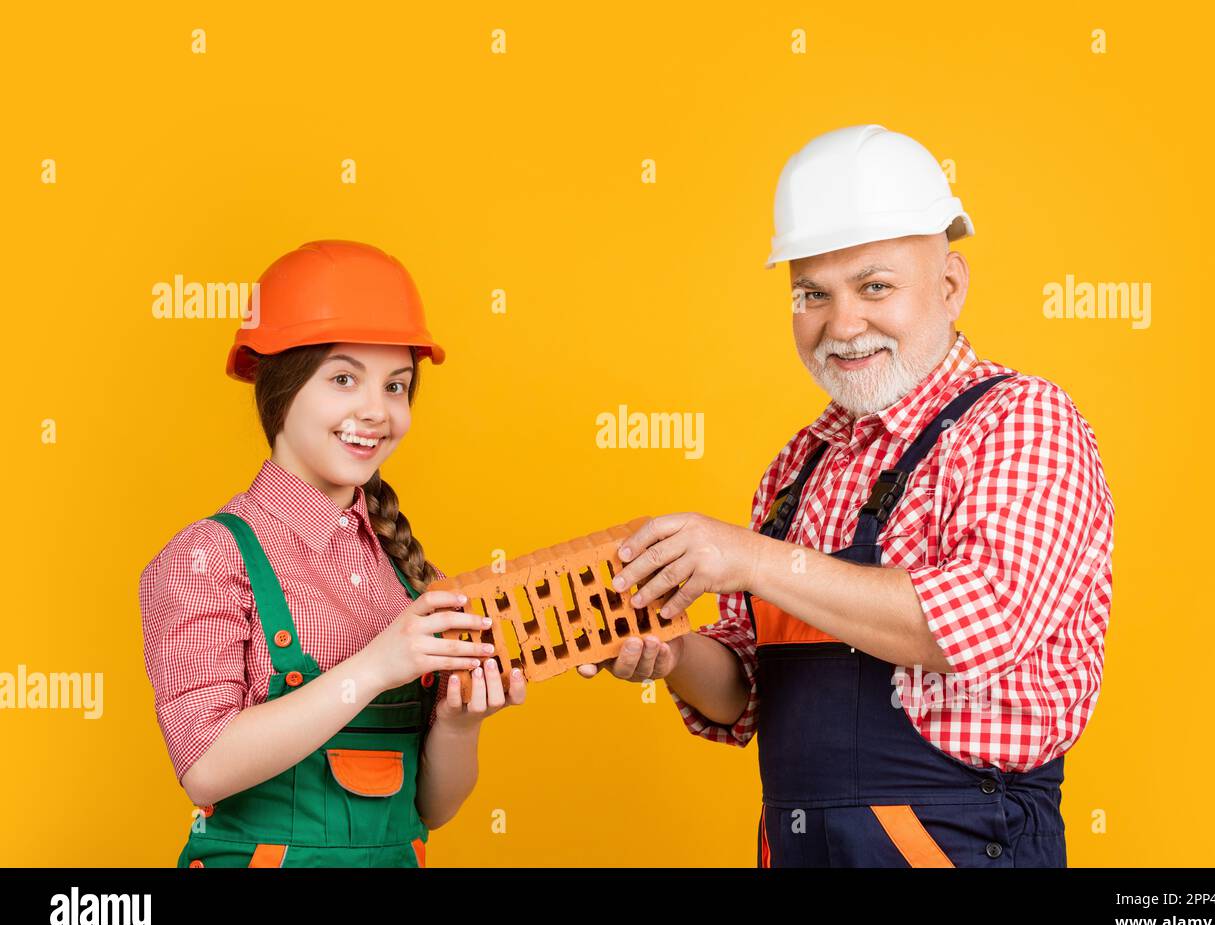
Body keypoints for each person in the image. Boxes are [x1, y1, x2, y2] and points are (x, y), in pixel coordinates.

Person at [582, 125, 1116, 868]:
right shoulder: (797, 469)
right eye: (811, 294)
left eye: (874, 286)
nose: (842, 324)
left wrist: (752, 558)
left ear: (950, 286)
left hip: (957, 842)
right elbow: (745, 692)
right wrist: (665, 651)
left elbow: (976, 624)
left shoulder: (1019, 422)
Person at [139, 239, 525, 867]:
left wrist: (461, 722)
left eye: (397, 386)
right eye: (344, 378)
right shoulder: (208, 558)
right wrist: (377, 665)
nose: (376, 412)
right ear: (279, 388)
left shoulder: (402, 571)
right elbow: (204, 766)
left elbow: (432, 809)